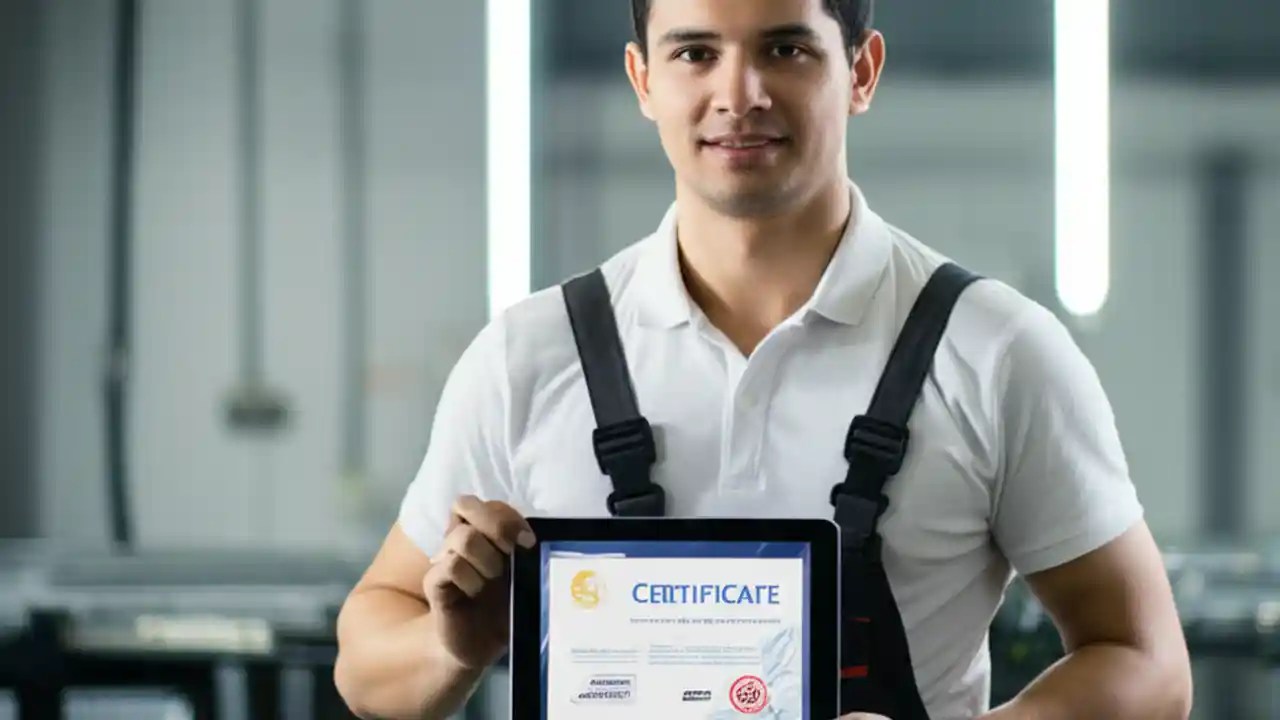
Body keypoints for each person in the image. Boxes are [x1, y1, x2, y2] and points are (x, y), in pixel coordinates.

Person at [333, 0, 1194, 718]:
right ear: (643, 78)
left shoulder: (996, 351)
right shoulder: (528, 356)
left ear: (860, 71)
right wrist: (459, 645)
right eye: (695, 53)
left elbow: (1148, 665)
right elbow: (366, 660)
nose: (738, 94)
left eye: (785, 48)